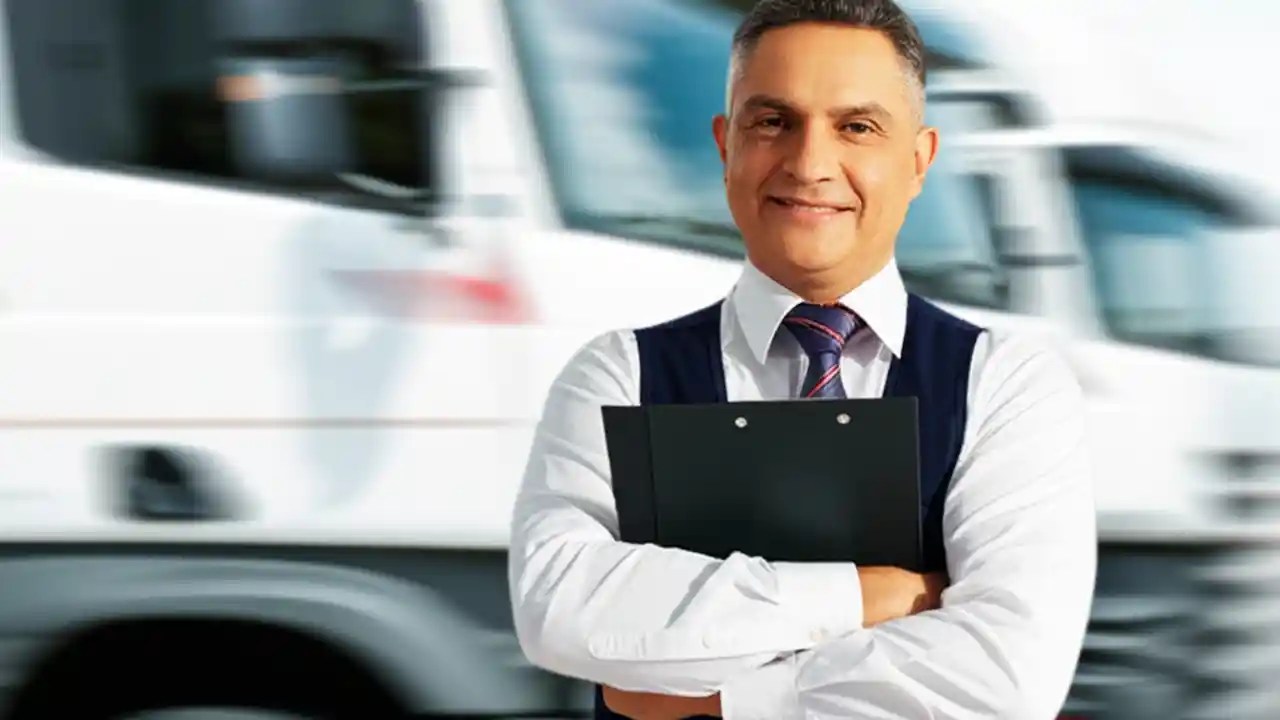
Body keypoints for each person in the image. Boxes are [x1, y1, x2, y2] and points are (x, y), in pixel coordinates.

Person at [507, 0, 1096, 717]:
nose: (811, 164)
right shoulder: (615, 375)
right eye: (773, 122)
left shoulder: (1006, 384)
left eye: (857, 127)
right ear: (727, 146)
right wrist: (870, 595)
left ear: (918, 161)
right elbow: (559, 610)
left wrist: (720, 700)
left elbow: (1008, 675)